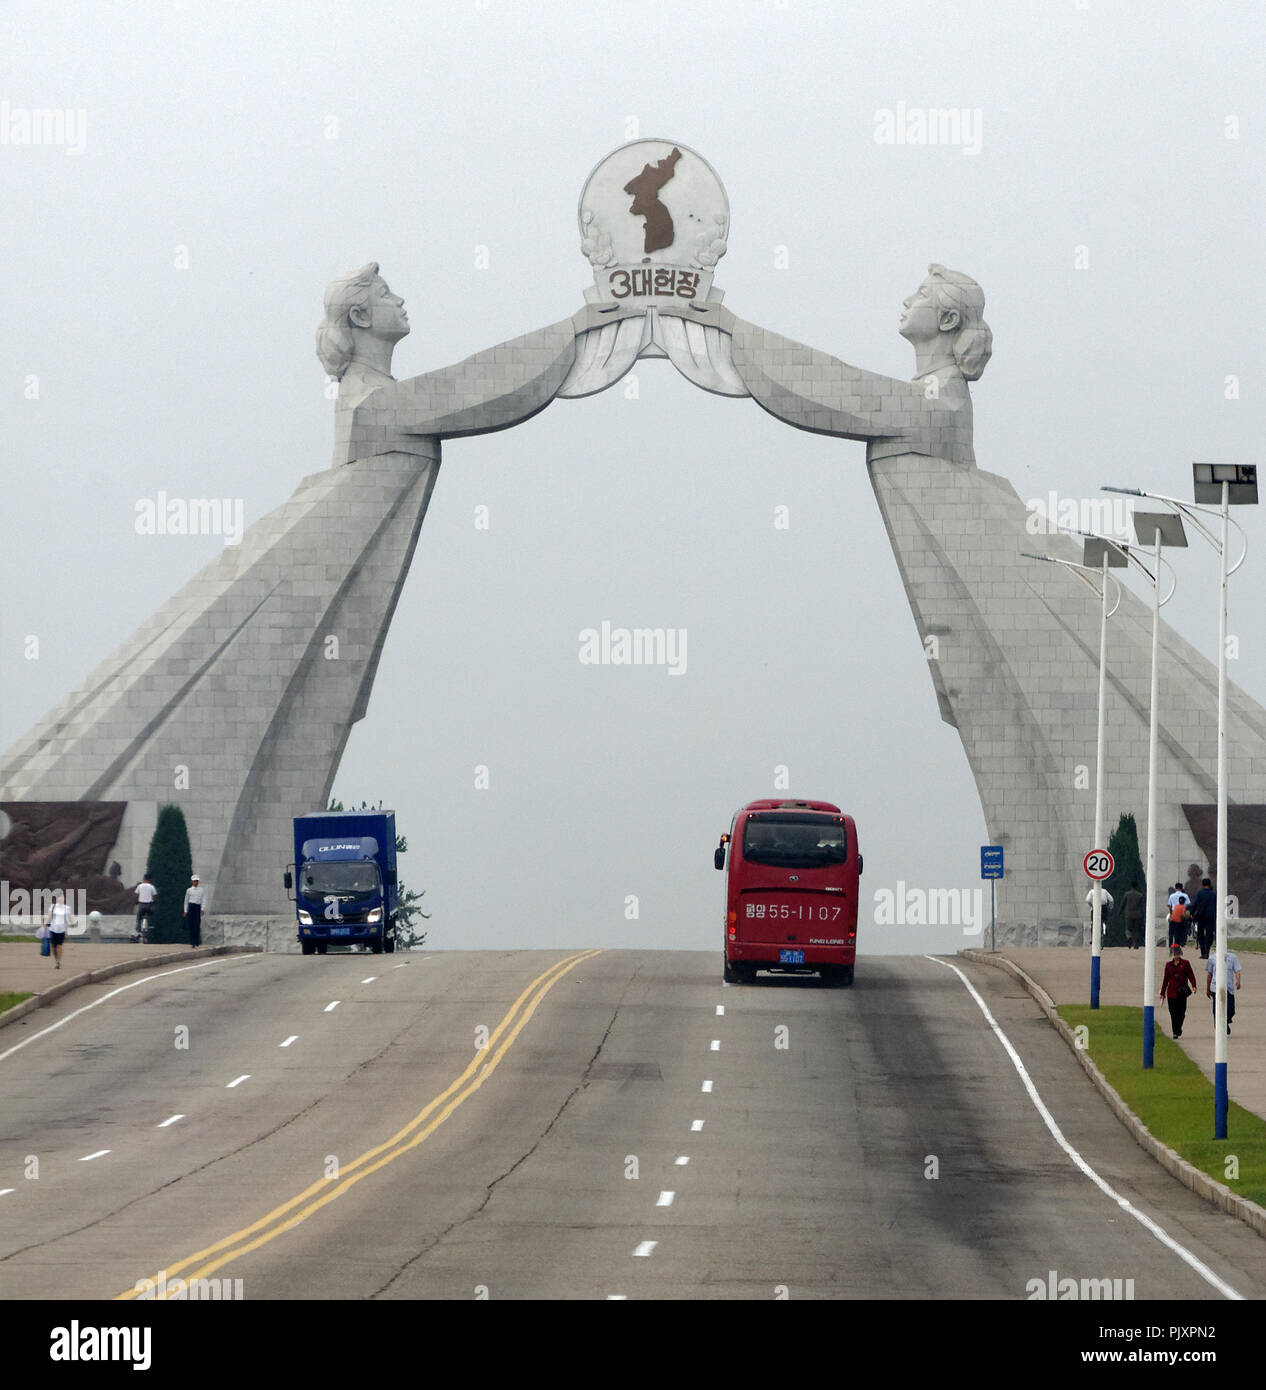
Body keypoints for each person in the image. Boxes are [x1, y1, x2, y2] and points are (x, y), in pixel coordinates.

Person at [1160, 944, 1197, 1038]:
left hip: (1182, 992)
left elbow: (1190, 975)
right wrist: (1162, 992)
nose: (1176, 954)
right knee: (1173, 1013)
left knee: (1181, 1012)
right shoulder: (1168, 965)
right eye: (1174, 952)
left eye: (1177, 952)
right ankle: (1175, 1032)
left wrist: (1194, 985)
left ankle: (1178, 1027)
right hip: (1171, 993)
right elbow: (1165, 979)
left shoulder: (1185, 963)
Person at [1206, 948, 1243, 1034]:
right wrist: (1208, 989)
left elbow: (1237, 970)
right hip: (1215, 987)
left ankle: (1225, 1022)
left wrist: (1238, 981)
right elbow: (1209, 974)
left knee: (1231, 1009)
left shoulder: (1233, 957)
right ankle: (1219, 1027)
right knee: (1216, 1009)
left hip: (1228, 987)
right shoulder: (1212, 958)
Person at [44, 889, 74, 970]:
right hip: (53, 929)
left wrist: (72, 923)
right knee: (53, 946)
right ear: (57, 898)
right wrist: (45, 923)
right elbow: (49, 916)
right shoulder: (53, 906)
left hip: (62, 929)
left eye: (63, 897)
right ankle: (56, 959)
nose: (62, 898)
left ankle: (58, 962)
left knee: (59, 946)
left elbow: (69, 917)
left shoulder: (67, 908)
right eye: (60, 897)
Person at [1191, 877, 1217, 960]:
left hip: (1201, 916)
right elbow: (1216, 905)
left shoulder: (1199, 893)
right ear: (1209, 885)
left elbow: (1195, 904)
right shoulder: (1213, 894)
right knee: (1209, 934)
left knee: (1200, 934)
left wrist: (1192, 913)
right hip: (1210, 916)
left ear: (1202, 884)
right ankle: (1207, 952)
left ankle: (1203, 952)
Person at [133, 873, 157, 943]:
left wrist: (136, 902)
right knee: (151, 915)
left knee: (139, 917)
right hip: (149, 905)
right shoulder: (151, 887)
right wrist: (154, 901)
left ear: (144, 879)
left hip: (141, 905)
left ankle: (138, 930)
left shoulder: (140, 886)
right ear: (149, 880)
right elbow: (155, 895)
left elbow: (136, 895)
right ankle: (151, 925)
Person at [183, 874, 205, 948]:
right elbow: (186, 901)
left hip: (197, 907)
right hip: (191, 906)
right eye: (194, 881)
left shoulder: (201, 890)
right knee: (191, 925)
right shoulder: (189, 890)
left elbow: (203, 899)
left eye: (197, 881)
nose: (196, 882)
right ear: (192, 882)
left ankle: (196, 941)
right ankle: (192, 942)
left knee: (197, 924)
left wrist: (202, 908)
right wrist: (185, 910)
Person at [1121, 884, 1146, 949]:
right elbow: (1142, 906)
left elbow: (1123, 904)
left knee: (1128, 929)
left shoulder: (1126, 894)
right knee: (1137, 930)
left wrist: (1119, 912)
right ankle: (1136, 944)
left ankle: (1129, 938)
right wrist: (1143, 915)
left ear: (1131, 887)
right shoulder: (1140, 895)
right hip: (1138, 915)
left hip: (1129, 914)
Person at [1167, 883, 1191, 948]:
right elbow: (1189, 905)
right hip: (1182, 916)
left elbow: (1169, 905)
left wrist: (1171, 913)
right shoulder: (1185, 896)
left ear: (1175, 888)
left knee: (1171, 932)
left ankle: (1170, 943)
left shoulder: (1172, 896)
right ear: (1182, 888)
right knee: (1181, 931)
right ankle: (1180, 943)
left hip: (1173, 913)